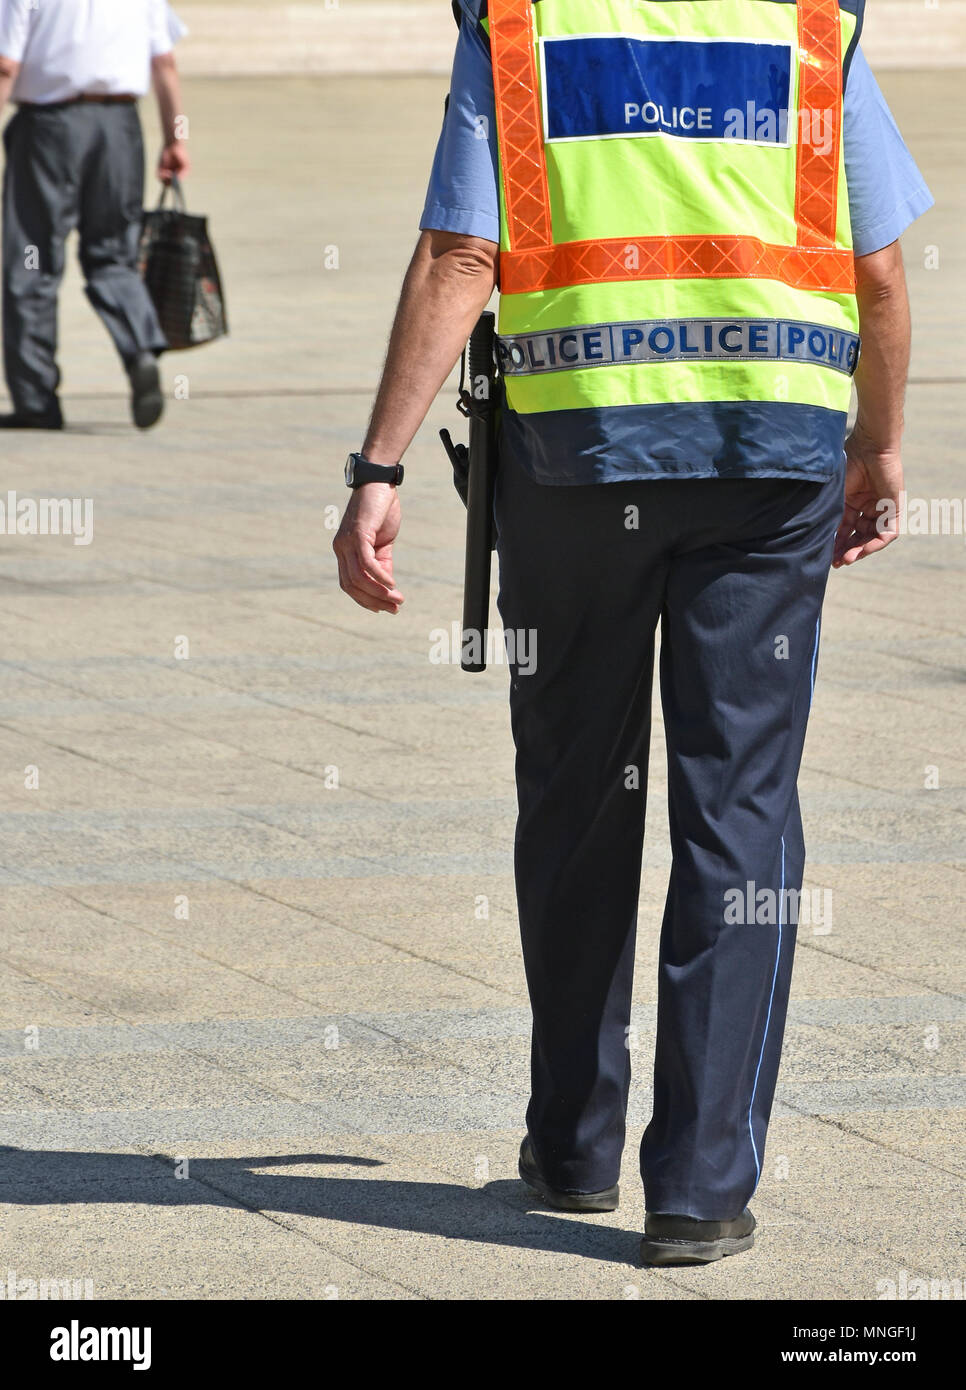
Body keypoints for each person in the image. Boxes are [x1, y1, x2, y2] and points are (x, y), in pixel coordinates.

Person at [333, 0, 932, 1266]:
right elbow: (877, 266)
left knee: (574, 790)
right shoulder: (813, 17)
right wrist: (880, 445)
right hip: (771, 461)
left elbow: (459, 252)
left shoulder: (519, 23)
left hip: (577, 460)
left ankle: (570, 1142)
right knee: (741, 807)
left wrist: (378, 464)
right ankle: (701, 1188)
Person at [0, 0, 189, 431]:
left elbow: (6, 67)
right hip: (119, 130)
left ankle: (35, 400)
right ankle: (140, 348)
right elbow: (166, 63)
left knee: (32, 261)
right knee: (113, 256)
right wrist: (176, 137)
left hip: (48, 131)